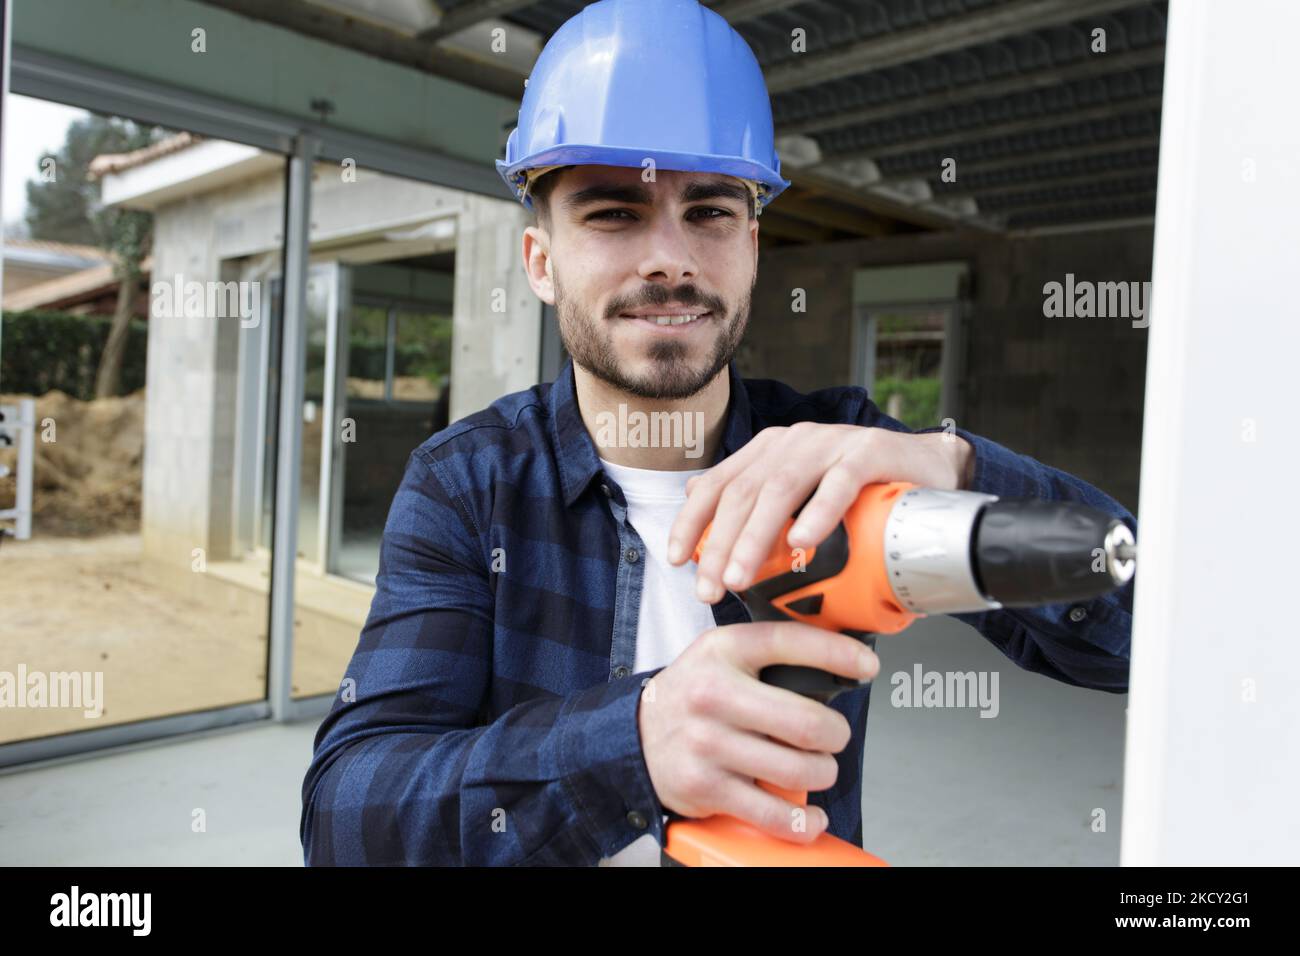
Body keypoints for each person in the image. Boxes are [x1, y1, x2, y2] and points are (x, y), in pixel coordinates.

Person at [300, 0, 1135, 866]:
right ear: (540, 263)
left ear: (753, 246)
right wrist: (631, 744)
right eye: (614, 213)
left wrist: (953, 463)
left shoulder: (842, 454)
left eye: (709, 212)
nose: (672, 257)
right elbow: (347, 820)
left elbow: (1141, 639)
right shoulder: (468, 484)